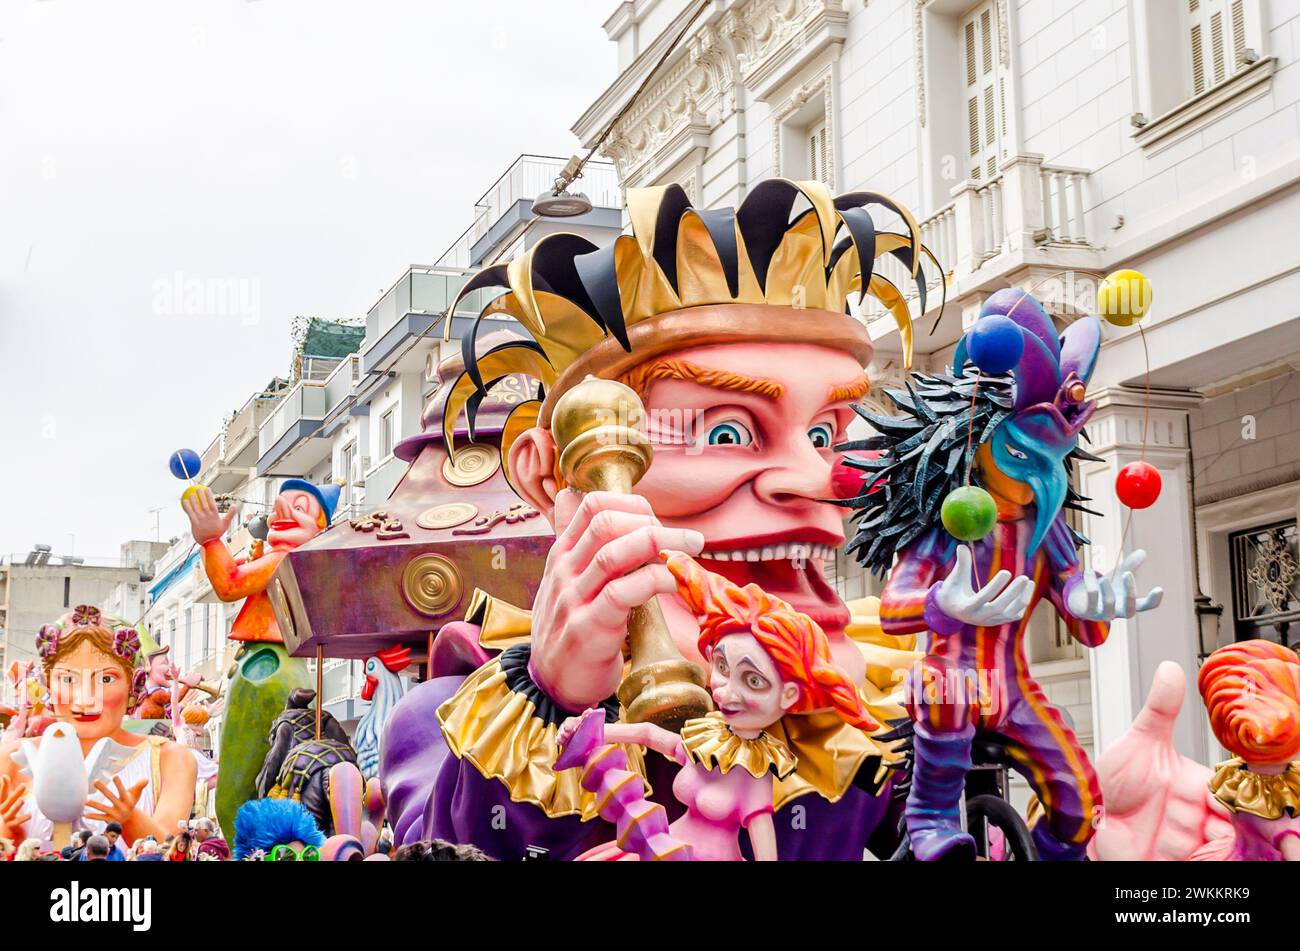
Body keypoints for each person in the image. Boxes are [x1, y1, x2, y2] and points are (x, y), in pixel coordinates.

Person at [381, 180, 931, 860]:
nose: (818, 478)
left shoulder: (876, 702)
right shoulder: (442, 725)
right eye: (726, 432)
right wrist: (556, 694)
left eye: (824, 435)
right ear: (555, 474)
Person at [0, 606, 197, 850]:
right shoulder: (10, 759)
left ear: (133, 686)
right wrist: (6, 831)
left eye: (106, 679)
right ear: (48, 685)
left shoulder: (169, 759)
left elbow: (174, 849)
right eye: (68, 679)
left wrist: (130, 818)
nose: (85, 699)